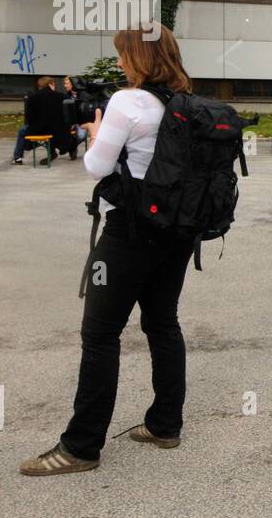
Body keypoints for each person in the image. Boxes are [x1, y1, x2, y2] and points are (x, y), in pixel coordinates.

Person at [20, 24, 196, 476]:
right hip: (177, 231)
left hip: (130, 233)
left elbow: (96, 167)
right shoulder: (186, 102)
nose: (119, 63)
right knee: (162, 322)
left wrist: (96, 131)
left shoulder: (127, 101)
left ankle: (80, 447)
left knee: (99, 336)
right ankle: (165, 425)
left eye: (123, 55)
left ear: (137, 58)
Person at [11, 76, 71, 165]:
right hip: (58, 131)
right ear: (51, 85)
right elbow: (67, 114)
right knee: (48, 130)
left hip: (38, 130)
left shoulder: (32, 98)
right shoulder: (62, 96)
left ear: (40, 86)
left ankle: (17, 157)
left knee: (22, 130)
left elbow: (29, 117)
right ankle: (53, 152)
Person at [62, 75, 91, 155]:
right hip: (70, 121)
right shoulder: (65, 96)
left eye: (67, 84)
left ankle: (71, 148)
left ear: (73, 84)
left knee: (81, 135)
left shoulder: (85, 95)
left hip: (83, 121)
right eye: (65, 84)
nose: (65, 86)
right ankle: (68, 147)